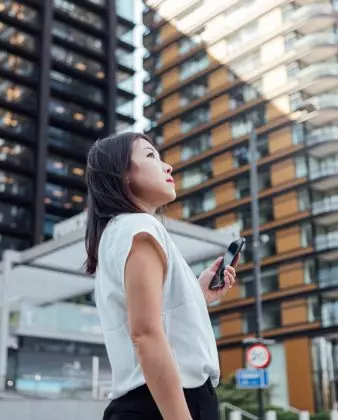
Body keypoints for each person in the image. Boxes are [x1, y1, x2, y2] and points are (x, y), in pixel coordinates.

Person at [85, 132, 239, 420]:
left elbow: (155, 320)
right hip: (163, 404)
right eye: (151, 156)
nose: (168, 166)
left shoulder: (119, 232)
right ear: (123, 175)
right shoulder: (139, 227)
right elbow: (145, 334)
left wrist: (197, 294)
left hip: (151, 402)